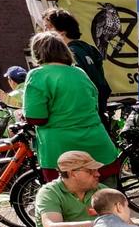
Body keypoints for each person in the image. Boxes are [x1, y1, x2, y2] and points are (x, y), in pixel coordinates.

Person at [23, 32, 119, 179]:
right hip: (98, 146)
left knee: (68, 193)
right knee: (107, 191)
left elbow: (36, 118)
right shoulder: (79, 72)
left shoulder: (37, 75)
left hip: (61, 151)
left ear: (37, 53)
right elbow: (94, 103)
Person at [41, 7, 111, 116]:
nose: (44, 32)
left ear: (62, 31)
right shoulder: (88, 49)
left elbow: (73, 89)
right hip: (97, 112)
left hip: (82, 115)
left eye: (47, 27)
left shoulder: (68, 55)